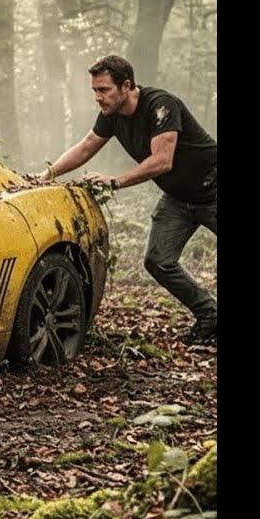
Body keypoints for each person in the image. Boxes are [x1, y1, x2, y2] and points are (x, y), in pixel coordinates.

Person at [40, 54, 217, 342]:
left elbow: (162, 161)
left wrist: (115, 181)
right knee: (158, 261)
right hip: (178, 198)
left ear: (126, 86)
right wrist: (47, 174)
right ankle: (210, 315)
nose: (98, 97)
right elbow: (85, 148)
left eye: (104, 90)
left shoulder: (161, 106)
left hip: (212, 188)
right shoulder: (111, 116)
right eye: (95, 90)